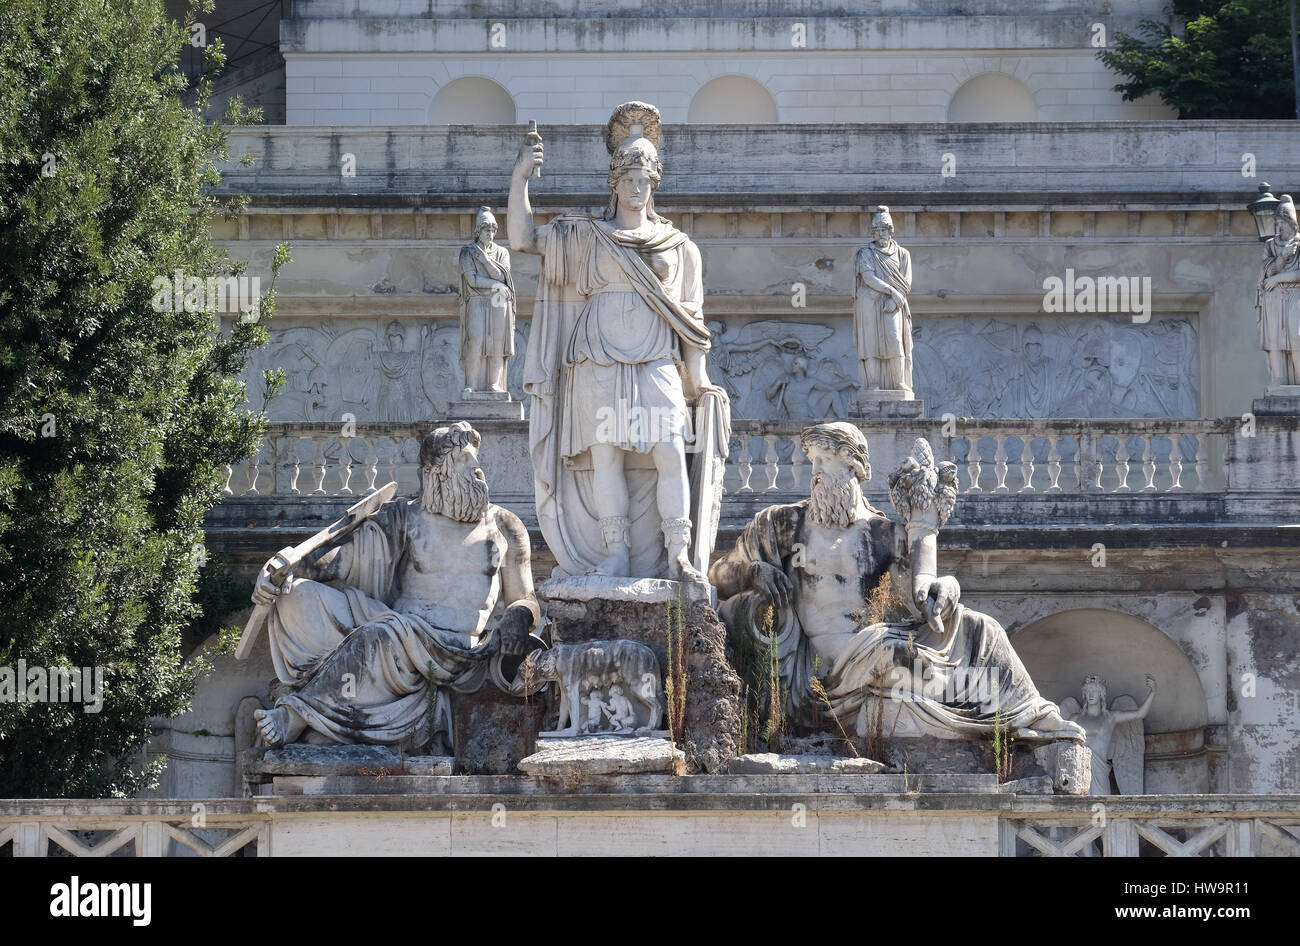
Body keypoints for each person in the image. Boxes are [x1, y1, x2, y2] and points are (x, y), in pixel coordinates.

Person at [509, 102, 728, 581]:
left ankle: (679, 553)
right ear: (615, 182)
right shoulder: (587, 237)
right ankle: (615, 553)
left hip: (656, 354)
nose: (635, 186)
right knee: (606, 452)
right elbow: (522, 238)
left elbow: (691, 321)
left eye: (643, 178)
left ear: (655, 183)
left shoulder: (680, 247)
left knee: (669, 448)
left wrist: (700, 378)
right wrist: (521, 176)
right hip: (596, 354)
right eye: (627, 177)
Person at [249, 422, 538, 751]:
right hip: (399, 624)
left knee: (378, 637)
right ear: (436, 472)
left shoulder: (505, 525)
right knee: (295, 596)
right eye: (465, 461)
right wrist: (281, 572)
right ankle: (334, 701)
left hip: (456, 647)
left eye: (476, 461)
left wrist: (519, 615)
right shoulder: (406, 516)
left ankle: (295, 717)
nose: (477, 470)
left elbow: (526, 598)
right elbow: (340, 562)